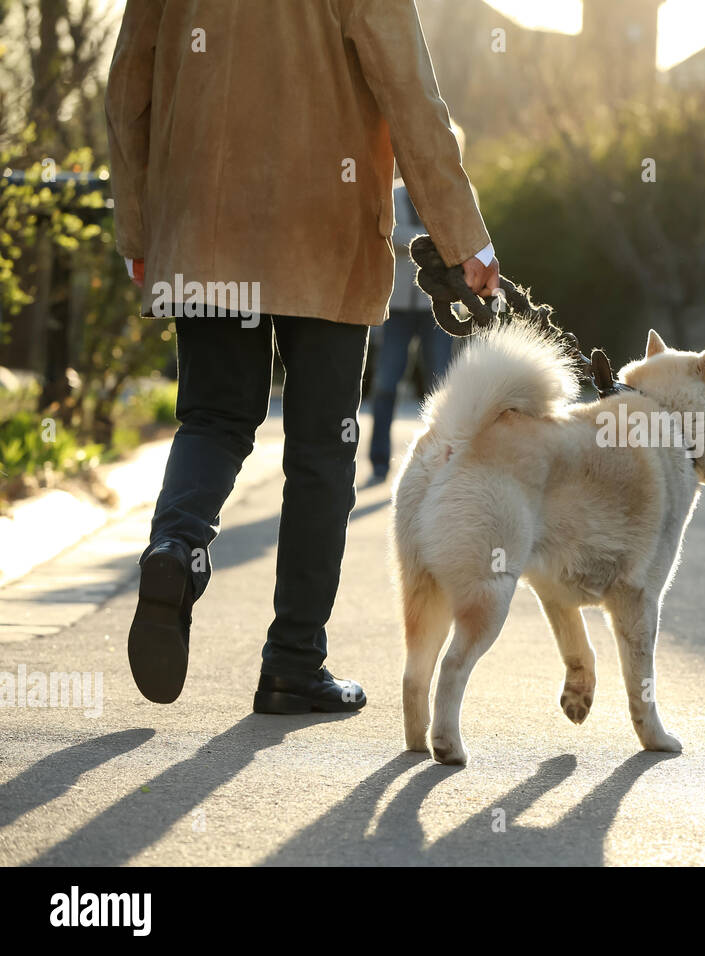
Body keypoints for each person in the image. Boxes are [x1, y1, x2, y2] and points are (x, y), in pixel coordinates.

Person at [106, 0, 499, 713]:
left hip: (204, 226)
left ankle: (176, 549)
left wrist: (138, 227)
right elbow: (407, 85)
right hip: (325, 230)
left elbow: (128, 85)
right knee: (321, 450)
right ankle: (292, 664)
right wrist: (462, 234)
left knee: (214, 420)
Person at [367, 183, 454, 485]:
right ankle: (379, 462)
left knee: (441, 388)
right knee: (386, 384)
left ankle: (443, 461)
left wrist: (426, 242)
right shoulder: (392, 194)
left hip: (439, 307)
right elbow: (389, 232)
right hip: (396, 308)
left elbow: (464, 238)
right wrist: (437, 240)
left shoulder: (457, 190)